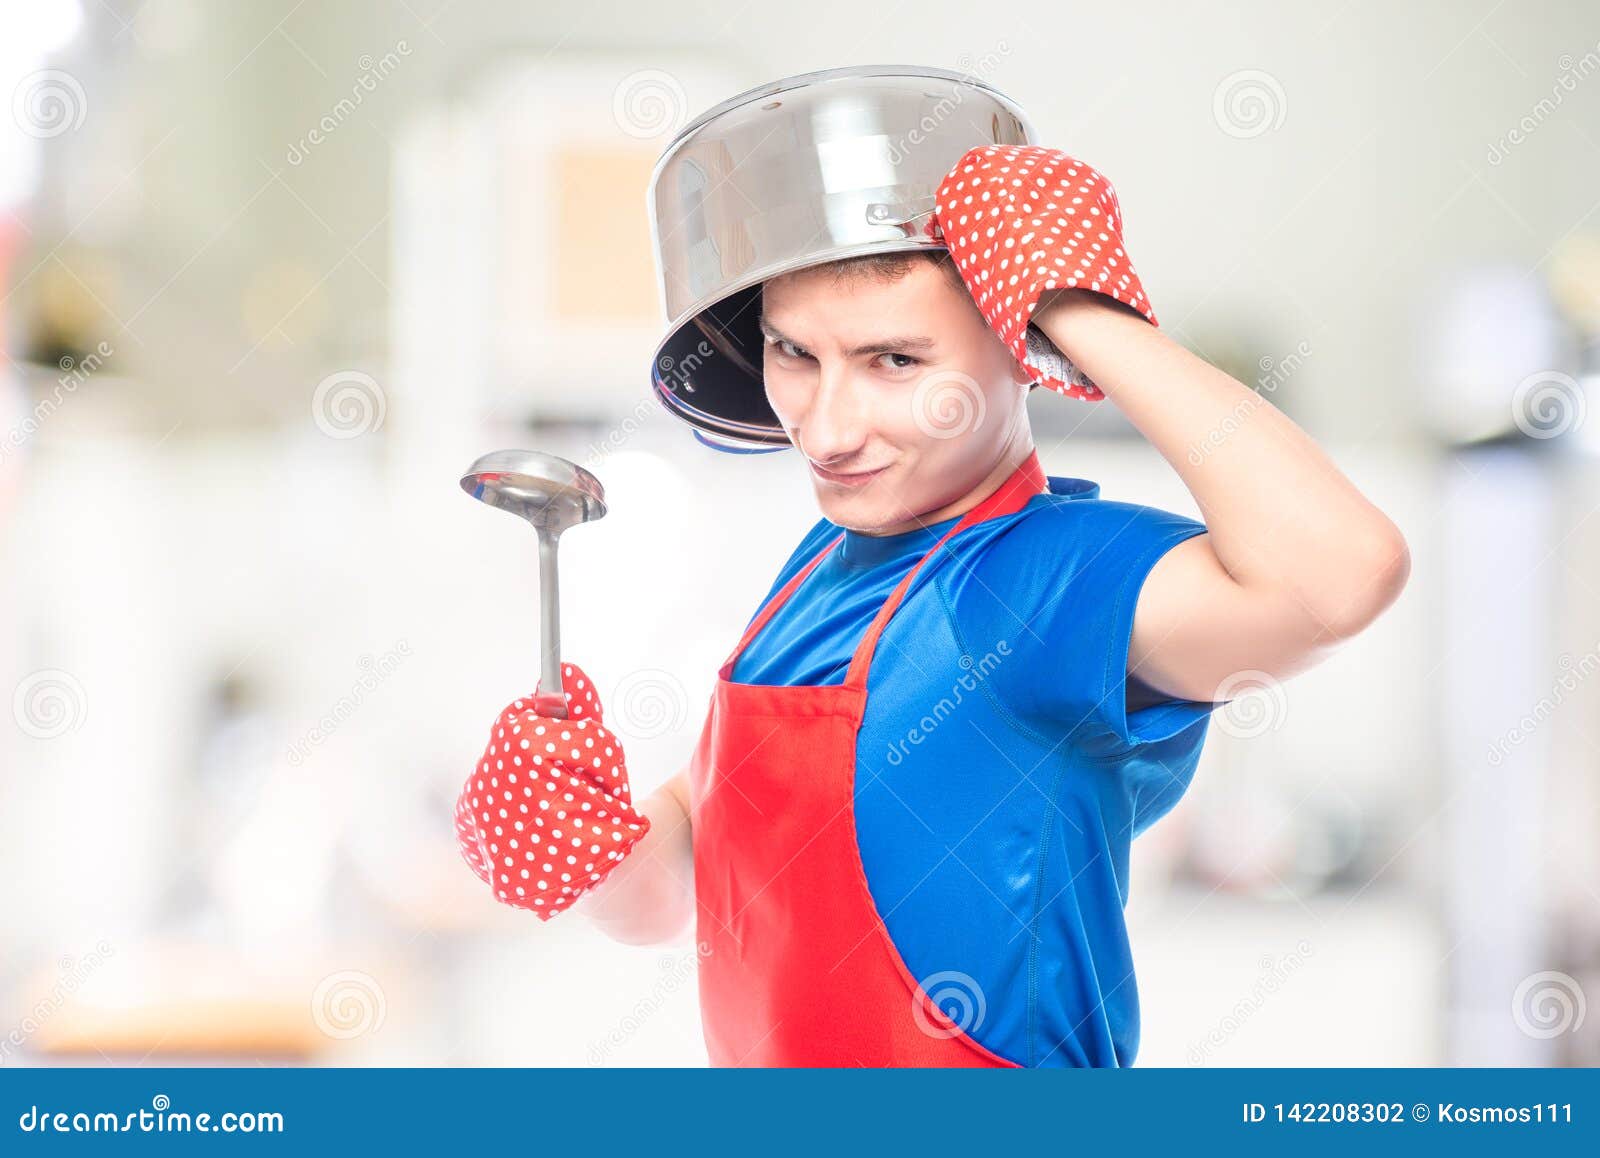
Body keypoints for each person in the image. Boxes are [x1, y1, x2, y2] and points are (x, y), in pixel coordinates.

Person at [454, 144, 1410, 1067]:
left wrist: (1077, 309)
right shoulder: (821, 565)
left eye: (895, 362)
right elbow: (687, 890)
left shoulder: (1050, 577)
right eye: (794, 353)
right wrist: (584, 847)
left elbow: (1343, 572)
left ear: (1019, 349)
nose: (824, 427)